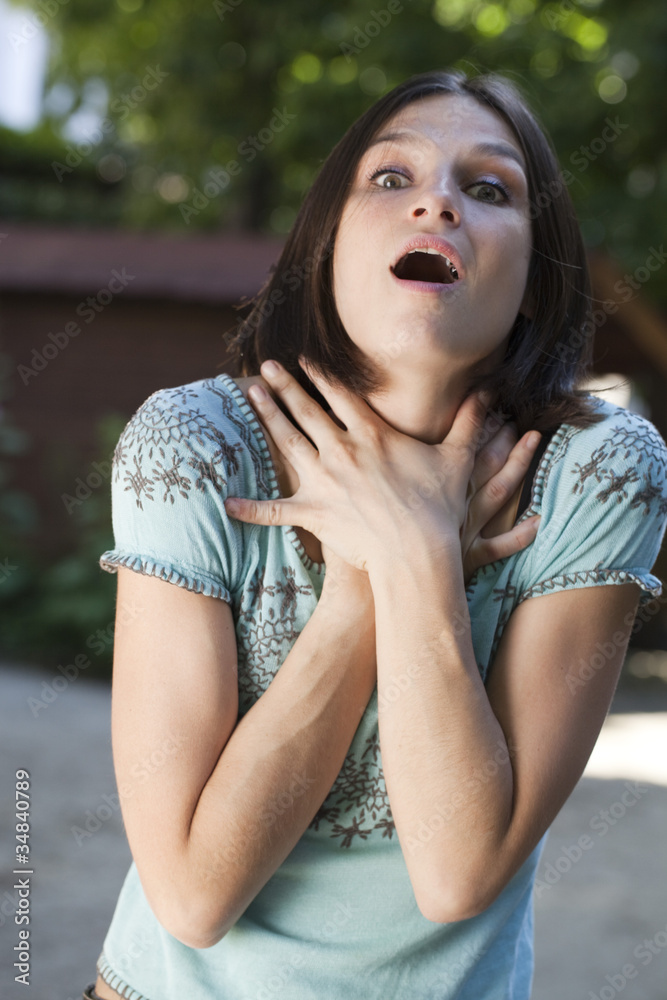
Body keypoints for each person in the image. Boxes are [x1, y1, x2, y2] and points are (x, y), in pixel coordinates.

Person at [85, 69, 667, 1000]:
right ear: (328, 245)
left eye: (489, 189)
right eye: (390, 179)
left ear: (532, 276)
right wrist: (379, 567)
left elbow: (456, 875)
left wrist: (421, 569)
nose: (436, 199)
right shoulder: (195, 446)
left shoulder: (596, 471)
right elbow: (193, 896)